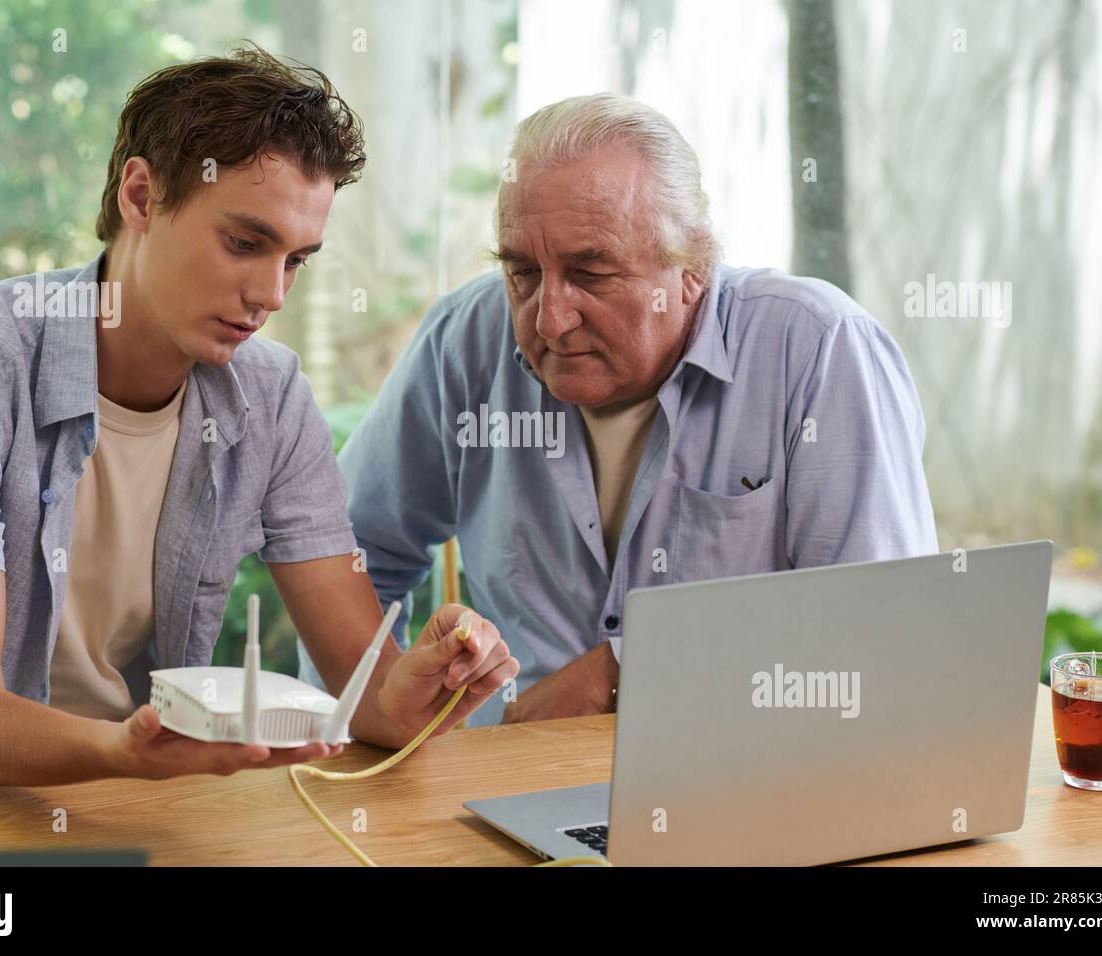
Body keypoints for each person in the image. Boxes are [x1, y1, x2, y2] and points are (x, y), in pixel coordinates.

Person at [0, 44, 516, 792]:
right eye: (244, 243)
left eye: (297, 260)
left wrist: (424, 687)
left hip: (147, 808)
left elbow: (367, 694)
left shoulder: (269, 395)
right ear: (140, 197)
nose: (272, 294)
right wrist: (124, 754)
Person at [324, 93, 937, 726]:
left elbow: (877, 628)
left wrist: (620, 673)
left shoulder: (819, 348)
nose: (550, 319)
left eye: (591, 274)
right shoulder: (467, 337)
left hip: (744, 776)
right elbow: (347, 549)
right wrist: (375, 716)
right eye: (523, 271)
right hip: (499, 777)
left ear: (691, 269)